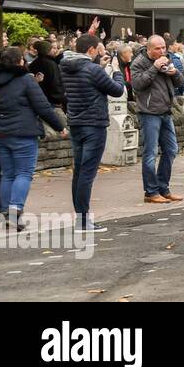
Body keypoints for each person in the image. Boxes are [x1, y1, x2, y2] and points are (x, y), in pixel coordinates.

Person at [0, 47, 66, 229]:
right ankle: (15, 211)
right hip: (23, 133)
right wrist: (59, 126)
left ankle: (4, 210)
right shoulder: (25, 80)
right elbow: (43, 107)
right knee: (24, 173)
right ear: (20, 62)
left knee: (7, 174)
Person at [60, 34, 127, 232]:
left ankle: (80, 217)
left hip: (76, 123)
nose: (100, 51)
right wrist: (115, 71)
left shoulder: (65, 66)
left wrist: (100, 65)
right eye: (98, 48)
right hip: (94, 125)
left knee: (79, 171)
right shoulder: (93, 69)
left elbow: (89, 80)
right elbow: (116, 90)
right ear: (90, 50)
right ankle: (83, 221)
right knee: (88, 173)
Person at [130, 35, 184, 204]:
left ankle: (163, 188)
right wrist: (154, 68)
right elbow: (137, 85)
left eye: (163, 48)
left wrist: (175, 73)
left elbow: (181, 85)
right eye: (158, 48)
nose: (162, 51)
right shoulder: (138, 62)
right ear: (149, 49)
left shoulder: (168, 59)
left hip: (166, 111)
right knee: (150, 154)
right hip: (149, 113)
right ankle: (151, 192)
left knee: (171, 150)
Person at [29, 39, 66, 111]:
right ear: (47, 50)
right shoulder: (51, 64)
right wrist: (60, 99)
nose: (55, 50)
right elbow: (55, 83)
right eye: (52, 48)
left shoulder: (34, 63)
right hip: (52, 102)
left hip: (38, 99)